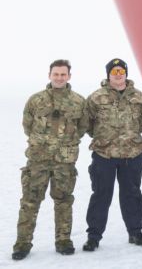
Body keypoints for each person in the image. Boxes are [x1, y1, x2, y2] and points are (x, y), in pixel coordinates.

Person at [12, 59, 87, 260]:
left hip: (64, 161)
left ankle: (63, 240)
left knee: (63, 201)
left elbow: (82, 128)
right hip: (38, 160)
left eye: (63, 74)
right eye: (56, 74)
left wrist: (65, 143)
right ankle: (22, 244)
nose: (59, 77)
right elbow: (27, 125)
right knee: (30, 201)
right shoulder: (36, 100)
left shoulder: (79, 101)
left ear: (69, 76)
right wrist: (43, 143)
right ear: (49, 75)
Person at [82, 59, 142, 251]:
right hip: (104, 155)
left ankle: (135, 232)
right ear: (108, 74)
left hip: (132, 154)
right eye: (114, 71)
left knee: (132, 194)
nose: (118, 74)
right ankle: (93, 237)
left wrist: (128, 137)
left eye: (121, 71)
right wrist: (106, 138)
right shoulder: (96, 98)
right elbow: (88, 125)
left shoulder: (139, 97)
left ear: (126, 73)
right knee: (101, 195)